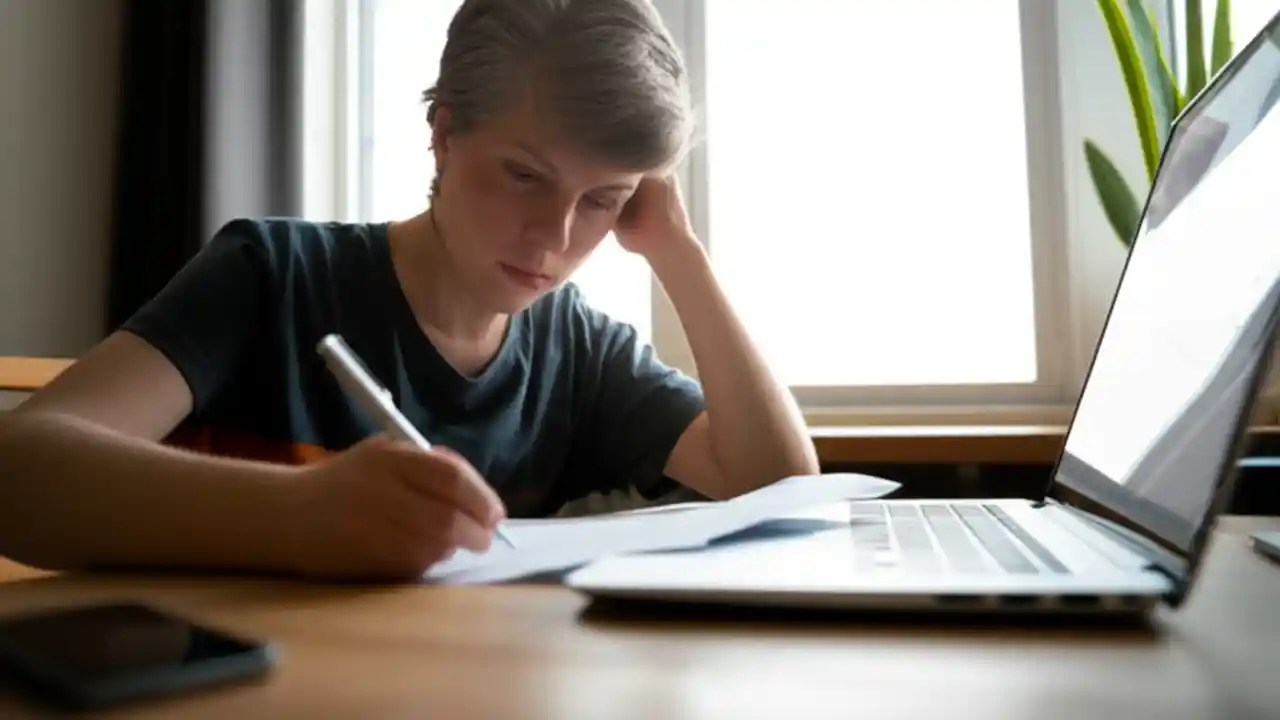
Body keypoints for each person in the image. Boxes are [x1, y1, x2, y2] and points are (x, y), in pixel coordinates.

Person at [0, 0, 817, 581]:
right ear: (444, 133)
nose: (555, 238)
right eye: (525, 176)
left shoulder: (580, 350)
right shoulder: (275, 274)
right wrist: (299, 514)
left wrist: (677, 252)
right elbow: (21, 474)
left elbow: (781, 487)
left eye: (602, 200)